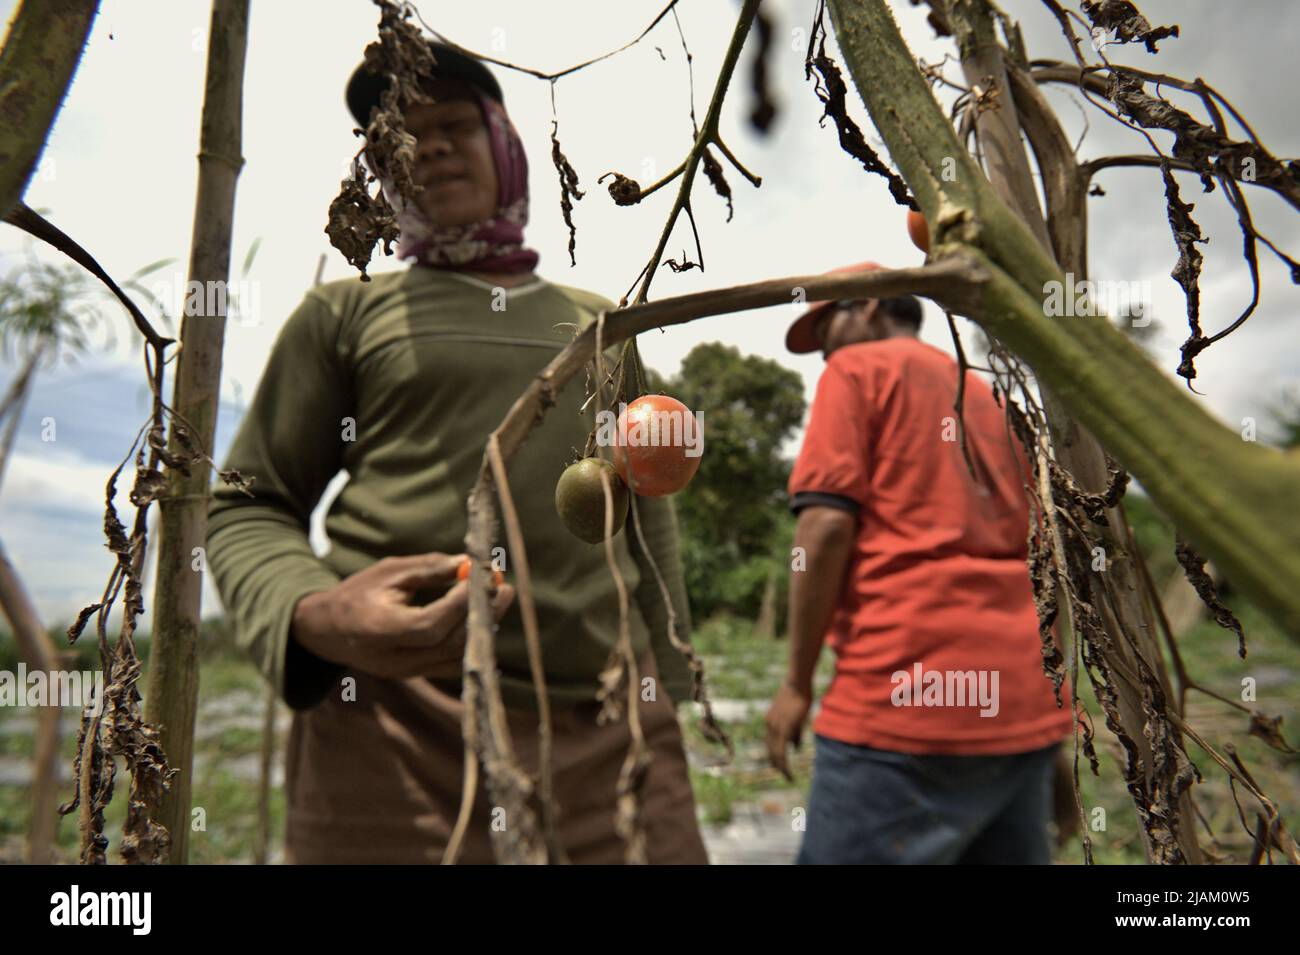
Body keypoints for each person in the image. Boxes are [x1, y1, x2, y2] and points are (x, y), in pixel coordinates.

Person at [205, 42, 707, 864]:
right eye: (398, 137)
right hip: (388, 737)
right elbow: (248, 504)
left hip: (607, 726)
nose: (429, 145)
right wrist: (316, 612)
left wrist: (674, 681)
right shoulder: (344, 314)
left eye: (452, 126)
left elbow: (647, 513)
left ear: (506, 143)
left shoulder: (598, 324)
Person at [764, 261, 1074, 864]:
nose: (825, 354)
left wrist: (796, 684)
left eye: (827, 332)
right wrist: (1049, 718)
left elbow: (824, 527)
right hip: (1019, 706)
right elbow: (1045, 563)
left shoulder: (857, 370)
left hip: (903, 704)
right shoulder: (991, 396)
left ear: (871, 308)